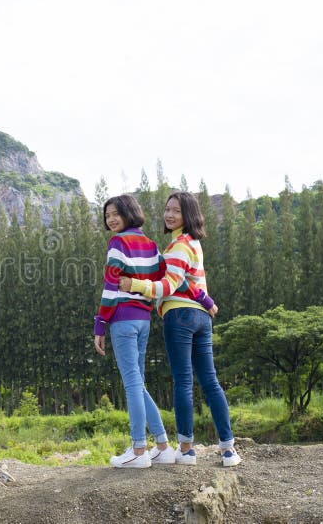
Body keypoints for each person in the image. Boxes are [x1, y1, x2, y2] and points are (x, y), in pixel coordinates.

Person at [119, 191, 241, 467]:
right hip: (201, 318)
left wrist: (134, 285)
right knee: (210, 381)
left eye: (176, 210)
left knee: (184, 382)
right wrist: (206, 301)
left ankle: (186, 450)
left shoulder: (177, 247)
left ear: (189, 215)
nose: (169, 214)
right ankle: (228, 450)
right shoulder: (192, 243)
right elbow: (186, 282)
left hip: (179, 316)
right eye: (167, 209)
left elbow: (169, 286)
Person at [94, 194, 214, 468]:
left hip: (123, 319)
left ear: (129, 213)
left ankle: (138, 451)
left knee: (131, 383)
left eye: (115, 214)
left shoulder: (117, 243)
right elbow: (176, 280)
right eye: (107, 215)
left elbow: (111, 287)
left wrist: (100, 323)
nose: (111, 219)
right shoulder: (151, 245)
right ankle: (162, 446)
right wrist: (205, 299)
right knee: (138, 383)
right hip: (144, 321)